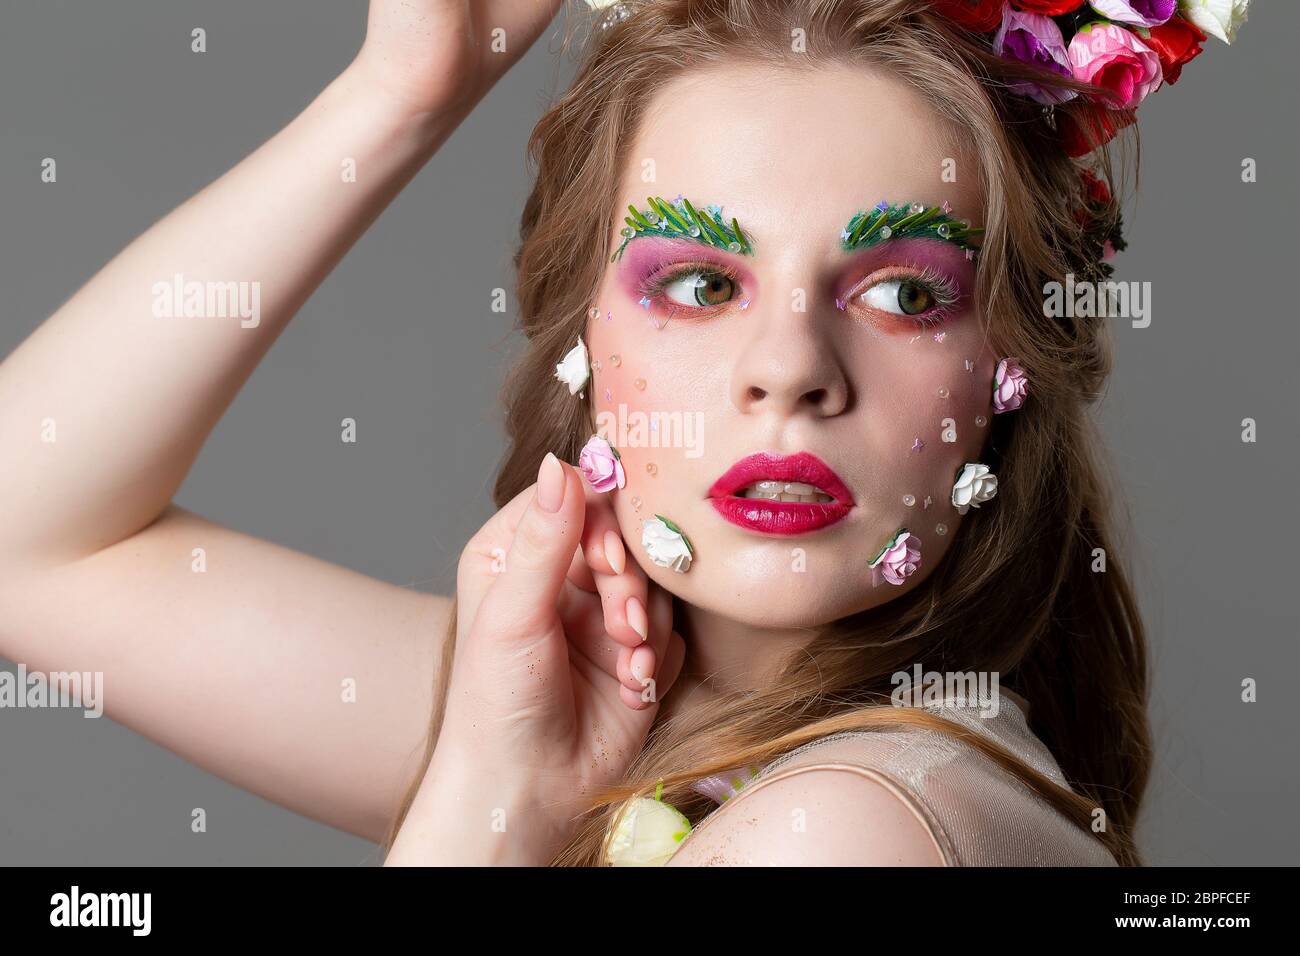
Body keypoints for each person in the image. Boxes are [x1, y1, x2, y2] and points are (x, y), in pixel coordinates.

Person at [1, 0, 1246, 866]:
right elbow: (27, 546)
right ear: (583, 342)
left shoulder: (840, 831)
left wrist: (481, 810)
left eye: (903, 292)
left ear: (1004, 370)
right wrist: (397, 94)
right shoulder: (610, 721)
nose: (789, 372)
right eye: (702, 283)